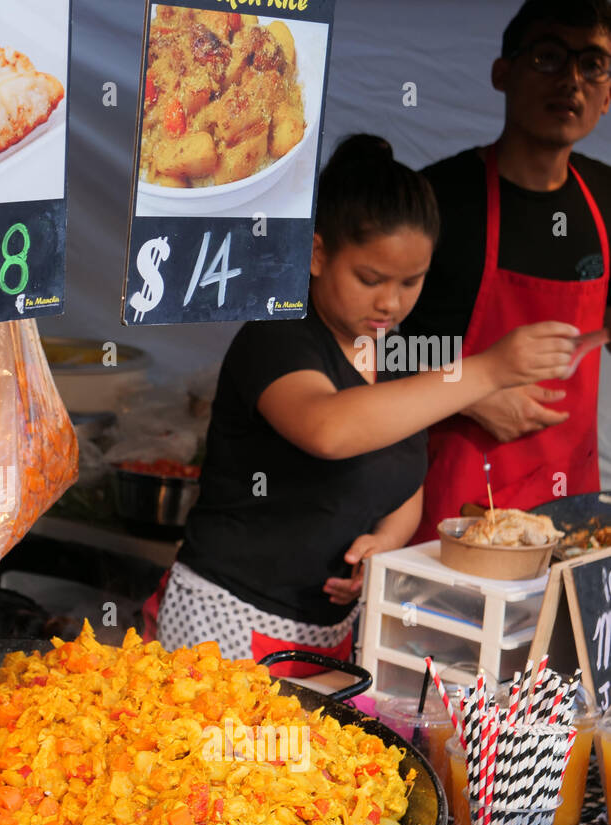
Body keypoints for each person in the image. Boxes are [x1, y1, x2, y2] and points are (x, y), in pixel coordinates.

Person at [155, 136, 576, 667]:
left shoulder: (394, 350)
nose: (391, 302)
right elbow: (329, 429)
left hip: (330, 632)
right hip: (224, 621)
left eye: (411, 281)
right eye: (370, 279)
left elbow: (403, 476)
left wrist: (385, 538)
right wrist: (485, 371)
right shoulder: (277, 335)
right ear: (316, 254)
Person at [402, 0, 611, 543]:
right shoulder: (437, 199)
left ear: (608, 94)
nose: (571, 80)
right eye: (548, 57)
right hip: (446, 506)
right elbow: (370, 348)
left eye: (592, 64)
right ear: (503, 73)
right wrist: (469, 390)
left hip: (571, 511)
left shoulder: (607, 198)